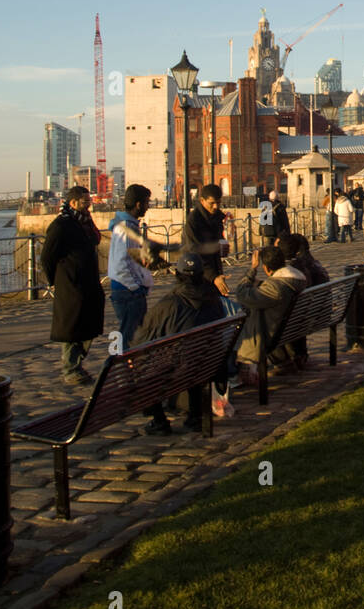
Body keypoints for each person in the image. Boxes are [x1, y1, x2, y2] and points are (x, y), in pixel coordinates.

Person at [134, 252, 226, 434]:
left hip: (180, 370)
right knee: (191, 355)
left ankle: (159, 421)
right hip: (210, 364)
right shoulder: (214, 300)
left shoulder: (169, 303)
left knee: (141, 366)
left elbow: (141, 339)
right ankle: (194, 416)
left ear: (177, 275)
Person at [40, 186, 105, 386]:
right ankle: (70, 368)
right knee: (72, 327)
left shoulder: (85, 223)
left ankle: (77, 363)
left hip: (89, 282)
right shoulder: (61, 225)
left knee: (88, 324)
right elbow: (47, 257)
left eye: (89, 202)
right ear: (74, 202)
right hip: (70, 284)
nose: (89, 206)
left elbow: (94, 240)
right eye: (85, 202)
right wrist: (56, 281)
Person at [234, 243, 307, 375]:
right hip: (288, 326)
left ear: (266, 268)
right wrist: (261, 283)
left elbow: (241, 294)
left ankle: (238, 372)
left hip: (270, 331)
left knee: (233, 316)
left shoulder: (275, 288)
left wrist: (252, 270)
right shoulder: (295, 279)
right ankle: (283, 362)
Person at [107, 184, 155, 348]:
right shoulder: (126, 228)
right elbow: (122, 262)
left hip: (128, 289)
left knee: (132, 336)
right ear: (138, 204)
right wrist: (136, 287)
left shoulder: (127, 225)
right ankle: (117, 369)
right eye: (147, 203)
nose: (148, 207)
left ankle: (128, 368)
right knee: (128, 338)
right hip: (127, 291)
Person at [182, 184, 229, 295]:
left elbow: (218, 240)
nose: (215, 206)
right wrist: (214, 277)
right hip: (196, 273)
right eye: (212, 203)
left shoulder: (217, 217)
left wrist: (223, 246)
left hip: (214, 269)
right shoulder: (193, 220)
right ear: (202, 200)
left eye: (218, 202)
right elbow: (194, 250)